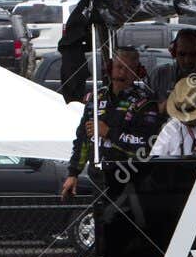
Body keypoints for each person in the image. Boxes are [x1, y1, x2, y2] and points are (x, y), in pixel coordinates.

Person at [62, 47, 162, 199]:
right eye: (119, 67)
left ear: (138, 72)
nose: (122, 73)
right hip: (98, 179)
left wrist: (108, 133)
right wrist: (73, 173)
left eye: (129, 69)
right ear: (110, 68)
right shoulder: (96, 98)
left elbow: (145, 147)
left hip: (131, 181)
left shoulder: (146, 103)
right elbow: (83, 139)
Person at [148, 29, 196, 116]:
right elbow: (146, 112)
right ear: (173, 52)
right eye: (182, 54)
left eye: (193, 54)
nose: (187, 60)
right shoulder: (158, 75)